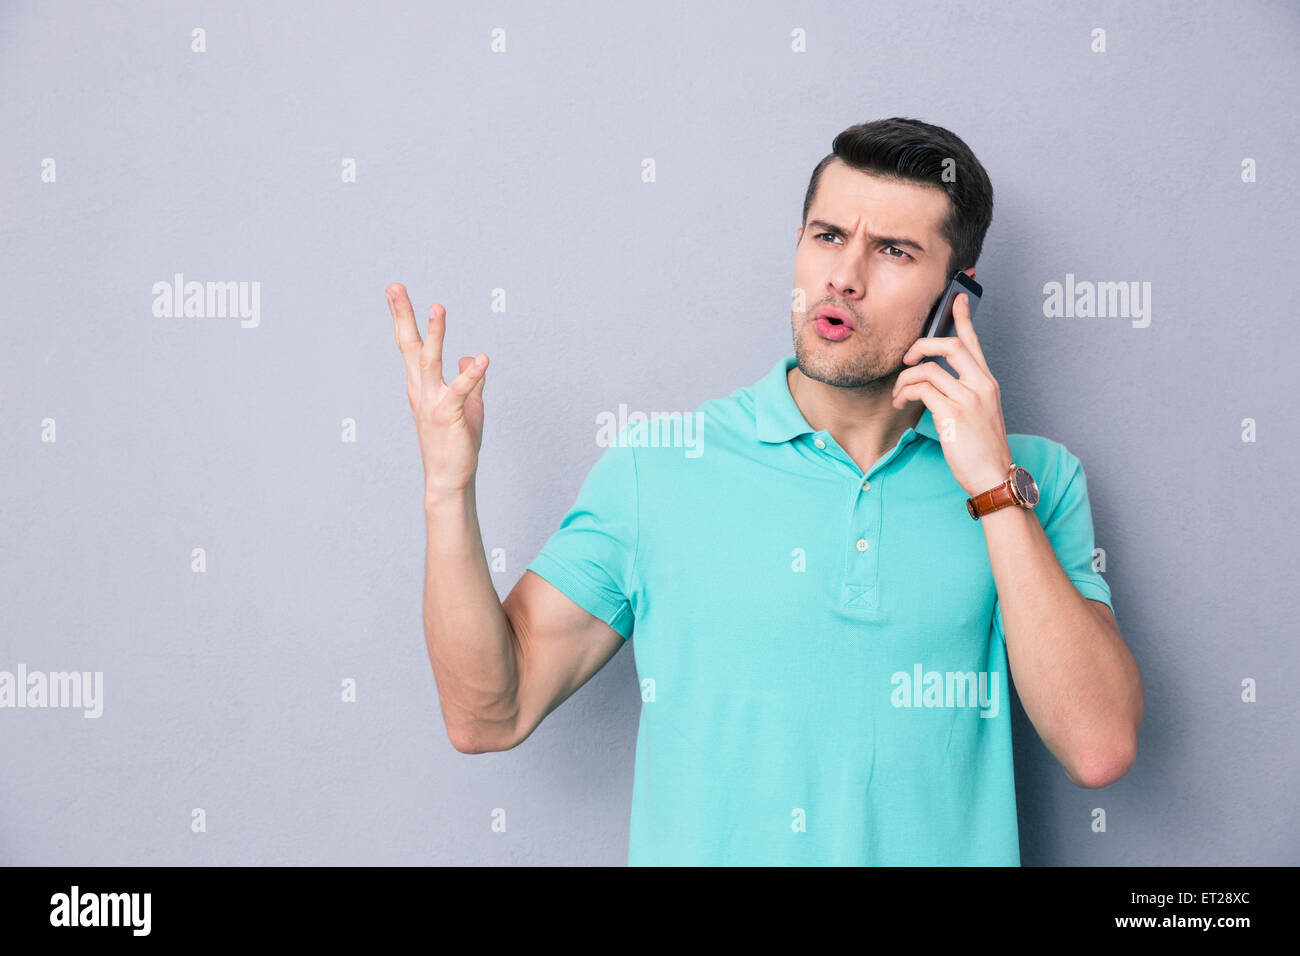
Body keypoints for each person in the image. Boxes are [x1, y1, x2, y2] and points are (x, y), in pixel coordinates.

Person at [386, 116, 1144, 866]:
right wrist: (447, 491)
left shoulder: (1033, 482)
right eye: (827, 237)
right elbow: (488, 713)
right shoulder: (661, 466)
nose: (845, 275)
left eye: (894, 251)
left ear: (956, 296)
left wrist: (988, 487)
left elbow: (1098, 746)